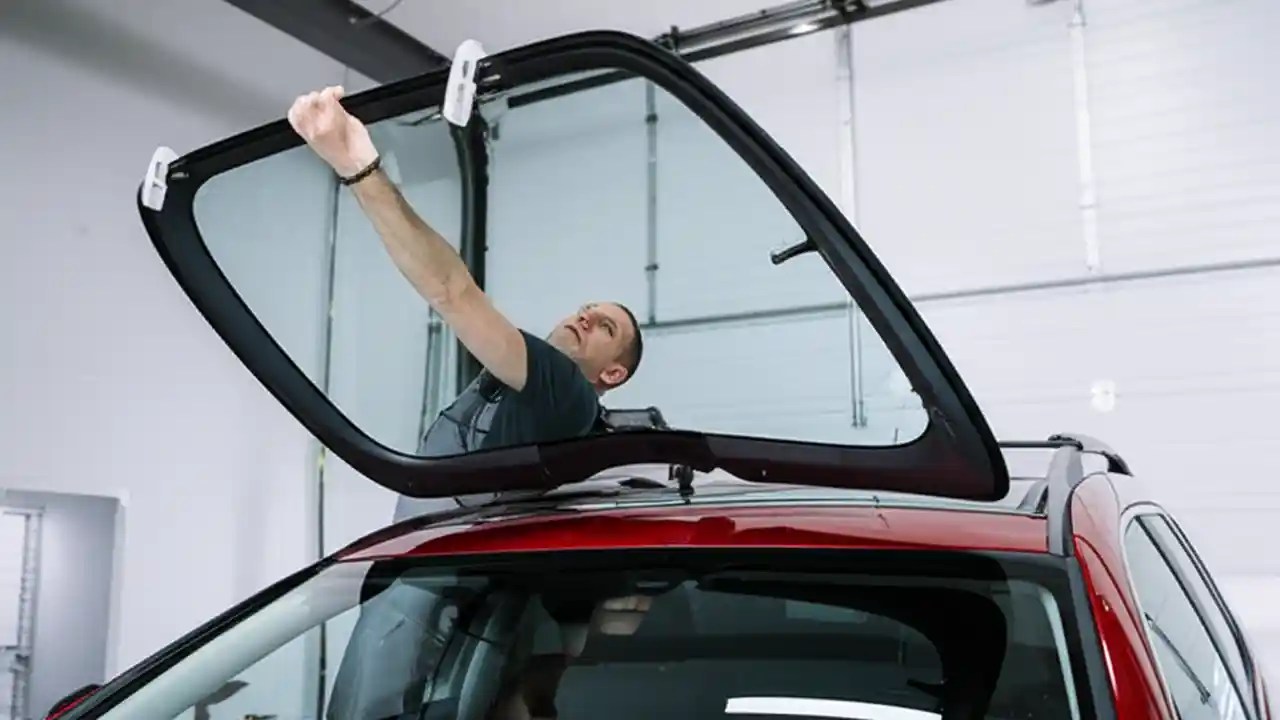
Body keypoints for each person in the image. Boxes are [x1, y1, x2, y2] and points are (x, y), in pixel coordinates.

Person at [287, 86, 644, 517]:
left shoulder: (569, 393)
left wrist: (356, 166)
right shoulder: (533, 396)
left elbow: (451, 291)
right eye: (587, 308)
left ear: (612, 372)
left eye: (605, 327)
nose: (585, 317)